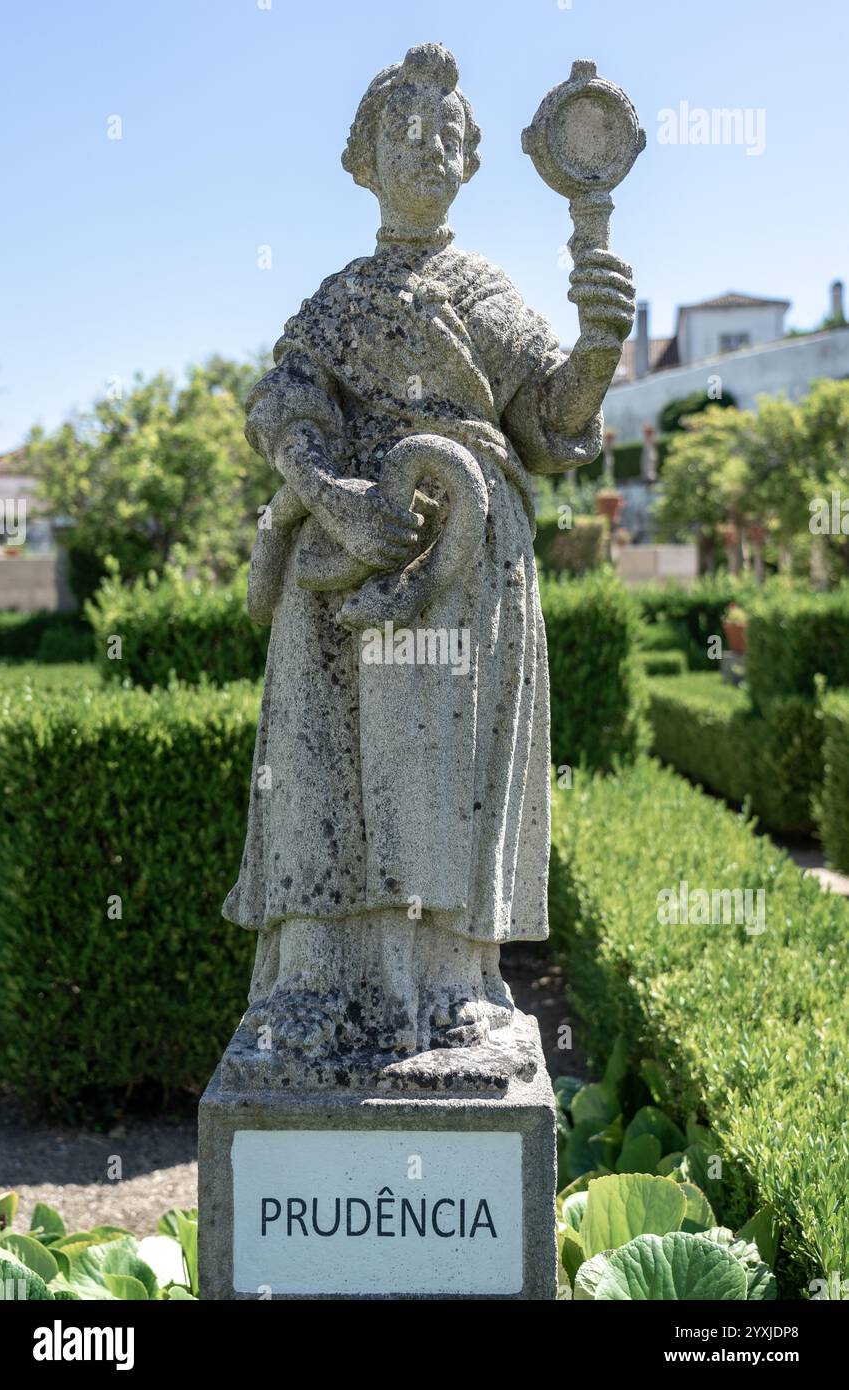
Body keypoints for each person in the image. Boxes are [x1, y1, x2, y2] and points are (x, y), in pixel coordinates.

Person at [222, 43, 635, 1057]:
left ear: (471, 161)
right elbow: (282, 405)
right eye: (404, 132)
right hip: (342, 554)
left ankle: (452, 978)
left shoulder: (484, 292)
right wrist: (332, 497)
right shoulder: (337, 298)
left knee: (446, 768)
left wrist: (596, 348)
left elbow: (546, 421)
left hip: (464, 561)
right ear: (363, 157)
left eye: (445, 135)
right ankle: (311, 979)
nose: (427, 148)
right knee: (317, 762)